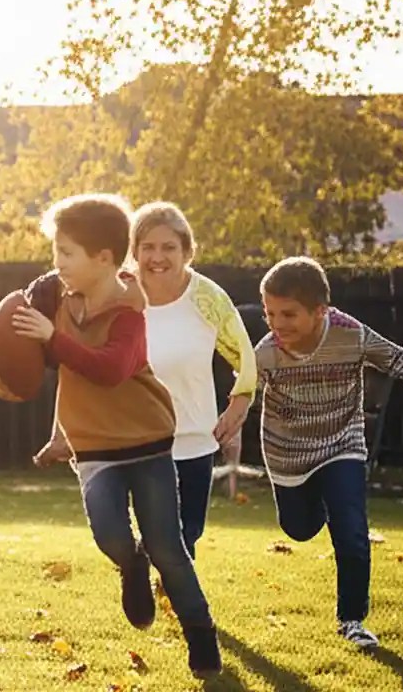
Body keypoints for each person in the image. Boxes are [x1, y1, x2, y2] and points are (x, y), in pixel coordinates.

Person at [14, 193, 221, 679]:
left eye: (66, 253)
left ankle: (200, 632)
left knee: (168, 548)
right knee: (110, 535)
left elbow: (109, 370)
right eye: (56, 252)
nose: (57, 263)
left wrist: (52, 338)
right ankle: (131, 568)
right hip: (93, 450)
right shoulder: (53, 298)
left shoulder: (130, 310)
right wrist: (4, 369)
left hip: (147, 445)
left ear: (103, 258)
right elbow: (25, 347)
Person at [255, 256, 403, 649]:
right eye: (269, 313)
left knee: (351, 529)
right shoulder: (266, 352)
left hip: (342, 442)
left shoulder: (351, 334)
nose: (276, 324)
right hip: (288, 453)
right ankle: (317, 501)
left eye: (288, 314)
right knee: (299, 529)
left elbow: (397, 359)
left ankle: (351, 619)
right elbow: (243, 393)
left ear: (321, 311)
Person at [128, 202, 256, 558]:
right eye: (148, 247)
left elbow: (243, 354)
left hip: (196, 438)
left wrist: (239, 403)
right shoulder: (122, 296)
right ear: (135, 251)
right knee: (156, 532)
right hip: (138, 439)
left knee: (189, 534)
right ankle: (162, 591)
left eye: (169, 247)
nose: (157, 256)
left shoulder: (207, 297)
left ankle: (169, 593)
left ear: (187, 251)